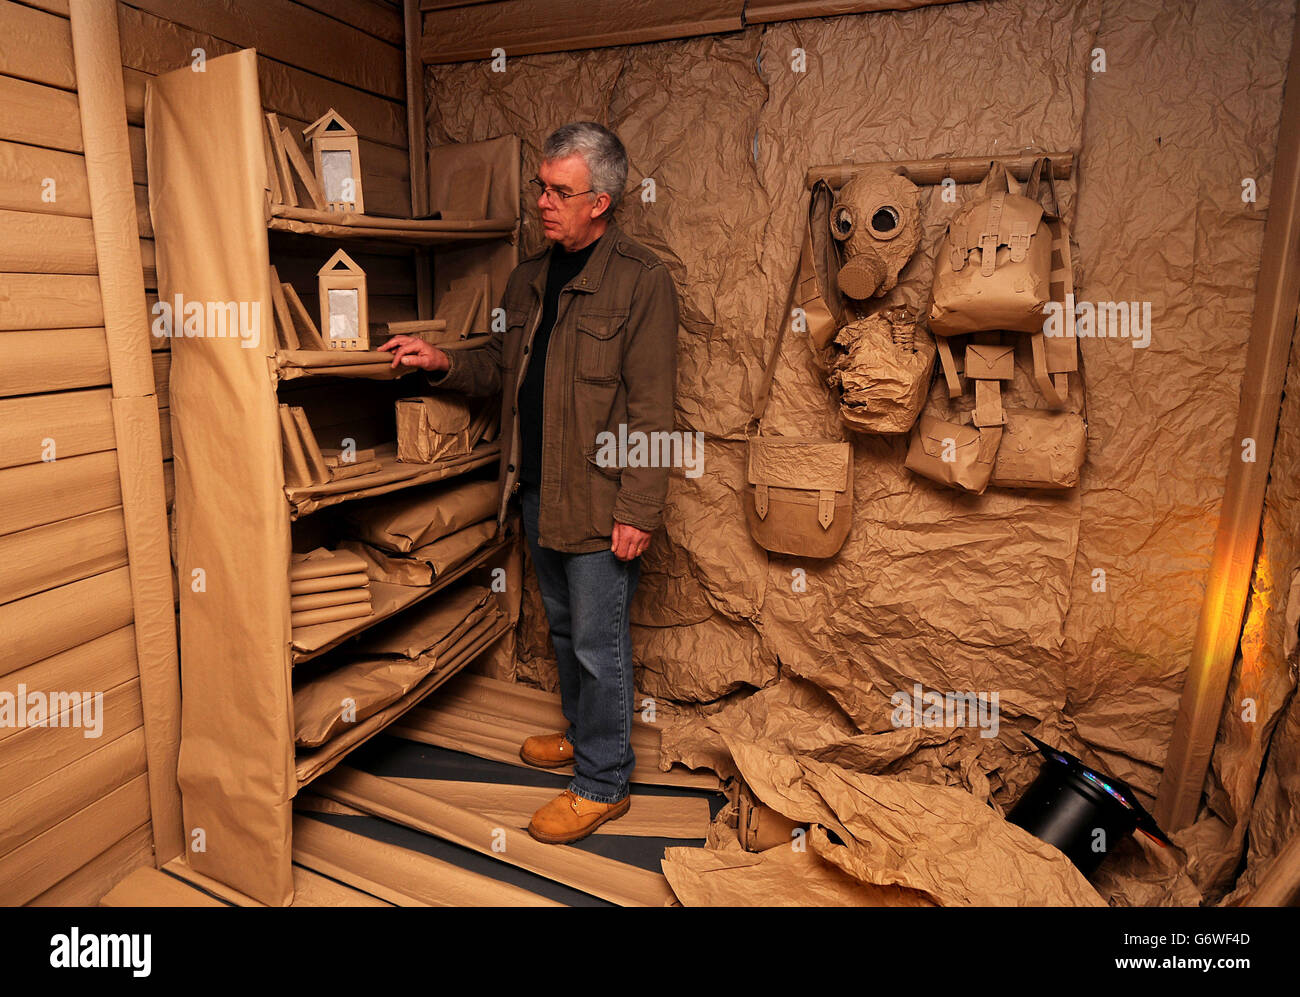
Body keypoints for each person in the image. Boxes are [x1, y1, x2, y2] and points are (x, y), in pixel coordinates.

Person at [378, 121, 679, 844]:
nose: (542, 202)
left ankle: (603, 782)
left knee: (598, 647)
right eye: (540, 187)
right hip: (539, 490)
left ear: (601, 202)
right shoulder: (528, 277)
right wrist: (440, 361)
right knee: (567, 629)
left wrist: (639, 506)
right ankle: (583, 735)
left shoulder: (642, 282)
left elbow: (654, 408)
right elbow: (500, 368)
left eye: (560, 191)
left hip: (603, 501)